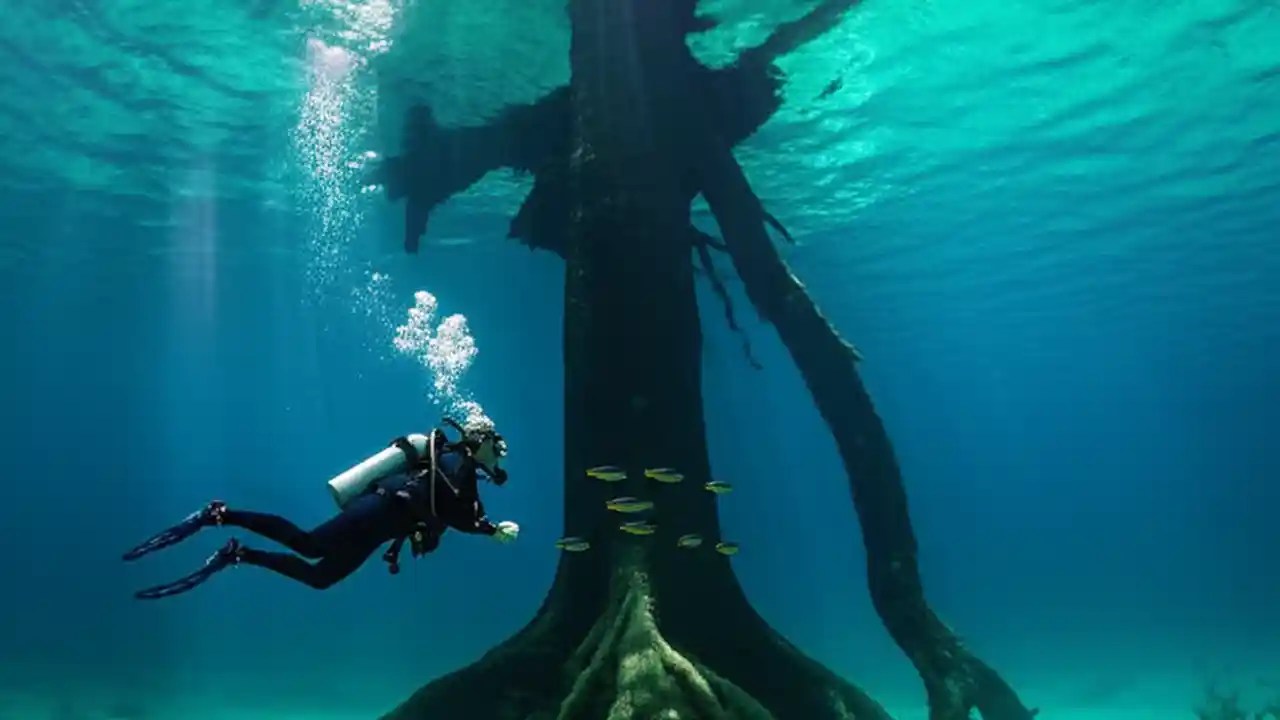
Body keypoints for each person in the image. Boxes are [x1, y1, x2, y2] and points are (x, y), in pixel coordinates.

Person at [123, 418, 520, 600]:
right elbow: (458, 510)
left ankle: (238, 554)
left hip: (382, 527)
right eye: (497, 447)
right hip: (377, 510)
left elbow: (458, 510)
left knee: (320, 578)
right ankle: (220, 515)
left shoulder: (461, 470)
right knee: (310, 544)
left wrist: (485, 525)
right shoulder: (456, 462)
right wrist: (489, 528)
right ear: (482, 442)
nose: (499, 456)